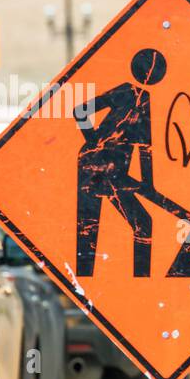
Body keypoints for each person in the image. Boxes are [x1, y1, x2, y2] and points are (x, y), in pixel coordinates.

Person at [72, 48, 165, 278]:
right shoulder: (126, 91)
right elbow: (80, 111)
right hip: (91, 167)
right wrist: (96, 145)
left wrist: (148, 186)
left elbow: (145, 149)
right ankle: (87, 283)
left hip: (114, 172)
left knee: (141, 223)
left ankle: (139, 285)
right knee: (88, 227)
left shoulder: (145, 99)